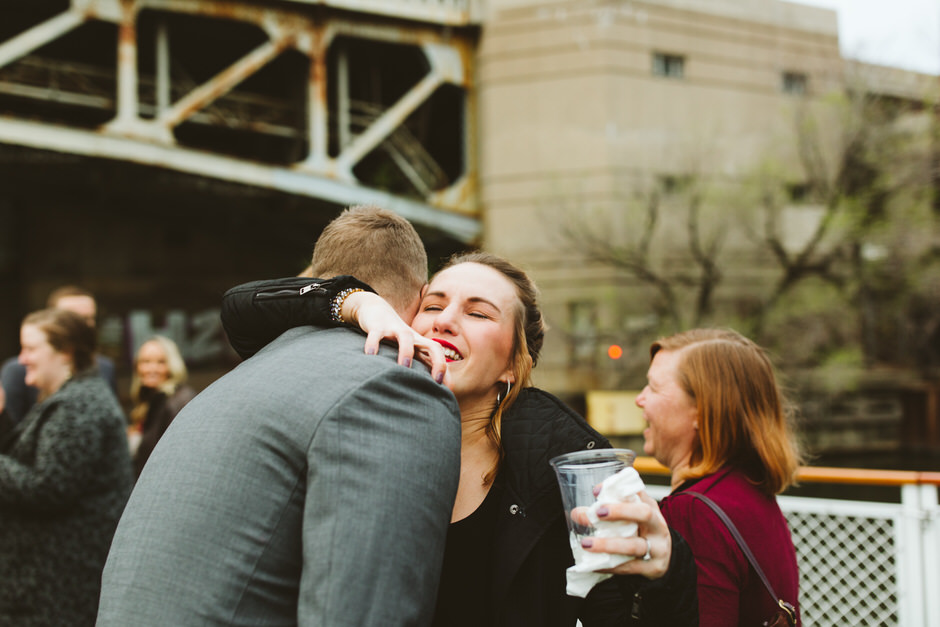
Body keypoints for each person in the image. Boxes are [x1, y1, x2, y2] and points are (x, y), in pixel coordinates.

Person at [219, 250, 700, 626]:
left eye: (479, 314)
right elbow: (241, 310)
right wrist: (358, 302)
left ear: (513, 364)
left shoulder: (566, 467)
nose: (444, 320)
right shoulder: (365, 421)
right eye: (432, 305)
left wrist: (665, 573)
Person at [97, 206, 463, 627]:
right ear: (420, 294)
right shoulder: (391, 384)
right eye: (435, 305)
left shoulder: (239, 378)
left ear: (317, 277)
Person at [637, 328, 802, 627]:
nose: (640, 399)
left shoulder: (694, 513)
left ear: (702, 410)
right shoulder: (749, 484)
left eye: (654, 388)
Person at [0, 308, 133, 627]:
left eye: (30, 348)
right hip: (47, 586)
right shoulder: (71, 398)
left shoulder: (79, 405)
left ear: (66, 352)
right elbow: (28, 461)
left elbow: (48, 487)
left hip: (57, 591)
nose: (22, 359)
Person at [1, 285, 117, 424]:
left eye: (88, 318)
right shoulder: (21, 369)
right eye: (72, 318)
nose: (82, 325)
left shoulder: (101, 370)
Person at [127, 336, 196, 477]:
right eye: (145, 362)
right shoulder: (151, 399)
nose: (152, 369)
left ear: (172, 365)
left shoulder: (177, 402)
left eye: (161, 362)